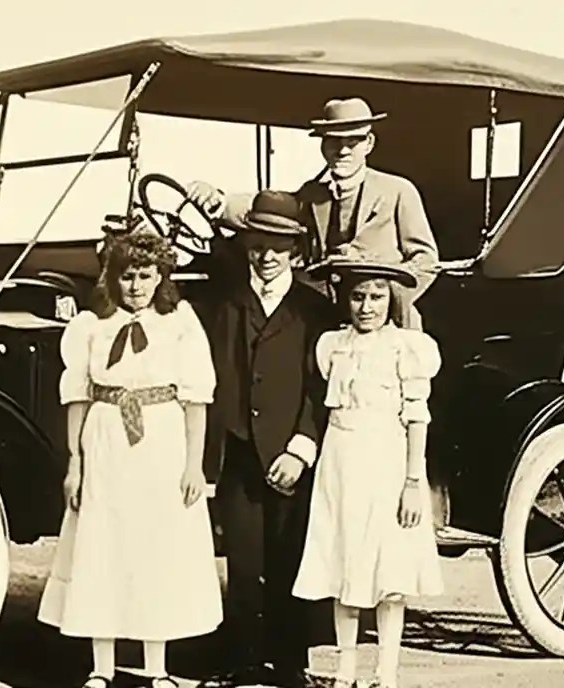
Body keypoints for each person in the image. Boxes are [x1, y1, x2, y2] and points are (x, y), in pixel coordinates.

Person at [37, 230, 222, 688]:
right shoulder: (92, 326)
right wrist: (74, 463)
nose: (136, 286)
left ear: (160, 277)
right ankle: (101, 667)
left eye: (145, 276)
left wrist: (194, 464)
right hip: (106, 441)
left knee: (154, 551)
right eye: (127, 277)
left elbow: (196, 400)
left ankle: (156, 667)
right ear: (112, 279)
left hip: (161, 442)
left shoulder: (179, 322)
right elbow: (77, 397)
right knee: (104, 547)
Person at [196, 190, 339, 688]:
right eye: (258, 244)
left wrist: (301, 448)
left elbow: (321, 388)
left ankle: (290, 663)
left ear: (295, 253)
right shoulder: (226, 302)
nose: (267, 255)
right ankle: (242, 660)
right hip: (237, 449)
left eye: (278, 246)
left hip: (288, 455)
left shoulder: (314, 310)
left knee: (289, 556)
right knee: (243, 558)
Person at [290, 252, 445, 688]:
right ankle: (345, 669)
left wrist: (413, 482)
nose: (367, 306)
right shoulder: (332, 346)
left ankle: (387, 672)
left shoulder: (405, 348)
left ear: (390, 299)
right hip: (340, 461)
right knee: (345, 563)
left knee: (387, 569)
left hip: (387, 462)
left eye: (377, 296)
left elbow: (416, 417)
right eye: (358, 297)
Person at [184, 96, 440, 329]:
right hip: (327, 321)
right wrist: (220, 202)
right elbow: (273, 206)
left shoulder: (398, 191)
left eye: (353, 141)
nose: (342, 151)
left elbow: (426, 261)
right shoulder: (312, 195)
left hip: (388, 327)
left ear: (369, 143)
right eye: (333, 141)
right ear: (322, 145)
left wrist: (385, 297)